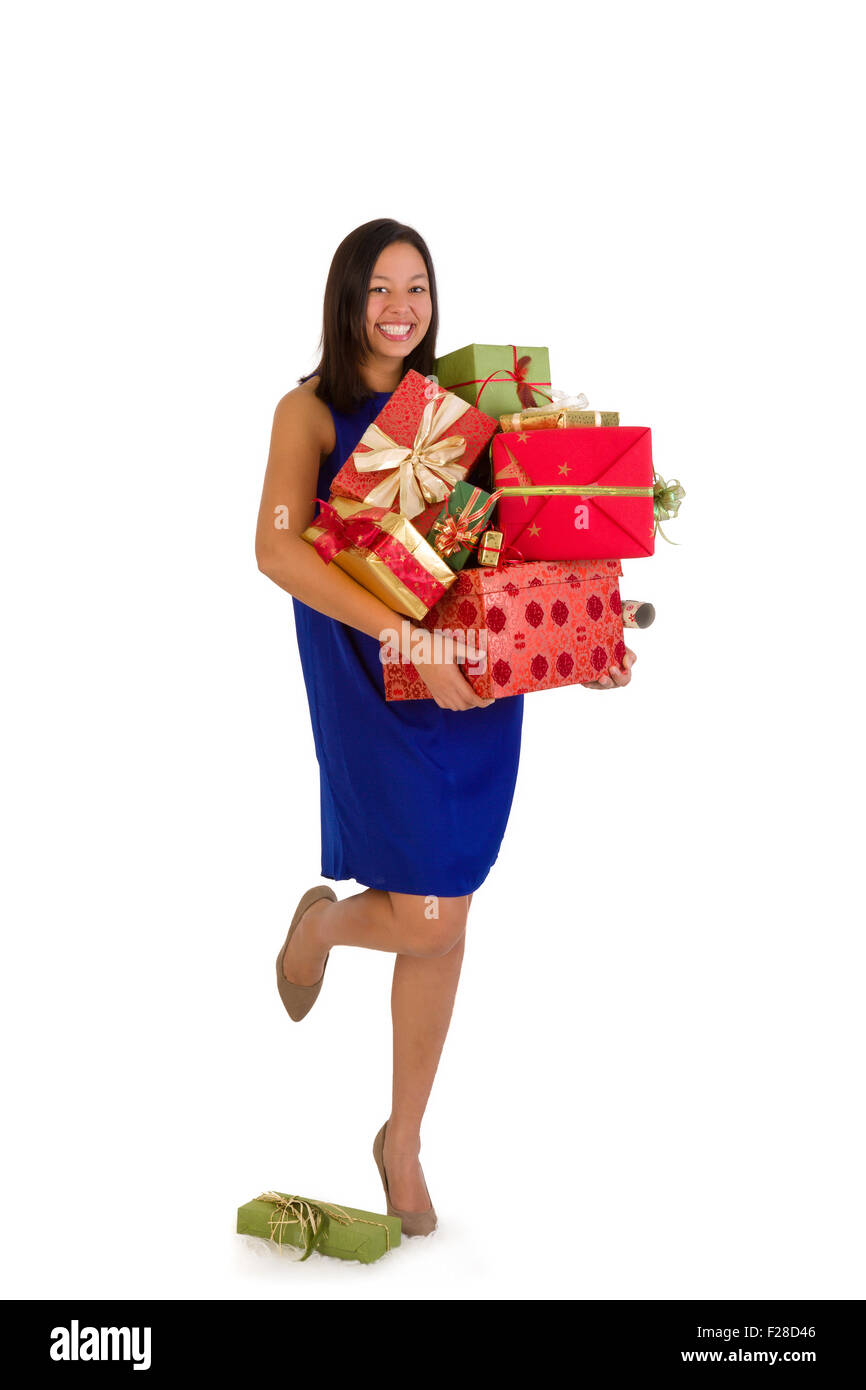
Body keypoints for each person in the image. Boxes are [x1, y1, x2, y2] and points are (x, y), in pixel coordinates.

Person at [255, 219, 635, 1236]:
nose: (399, 306)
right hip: (371, 669)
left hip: (469, 680)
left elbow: (507, 553)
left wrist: (578, 642)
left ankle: (404, 1138)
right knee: (430, 914)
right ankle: (318, 927)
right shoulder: (309, 409)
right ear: (345, 300)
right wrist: (399, 637)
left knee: (444, 908)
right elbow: (280, 554)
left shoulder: (465, 409)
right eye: (379, 287)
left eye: (415, 287)